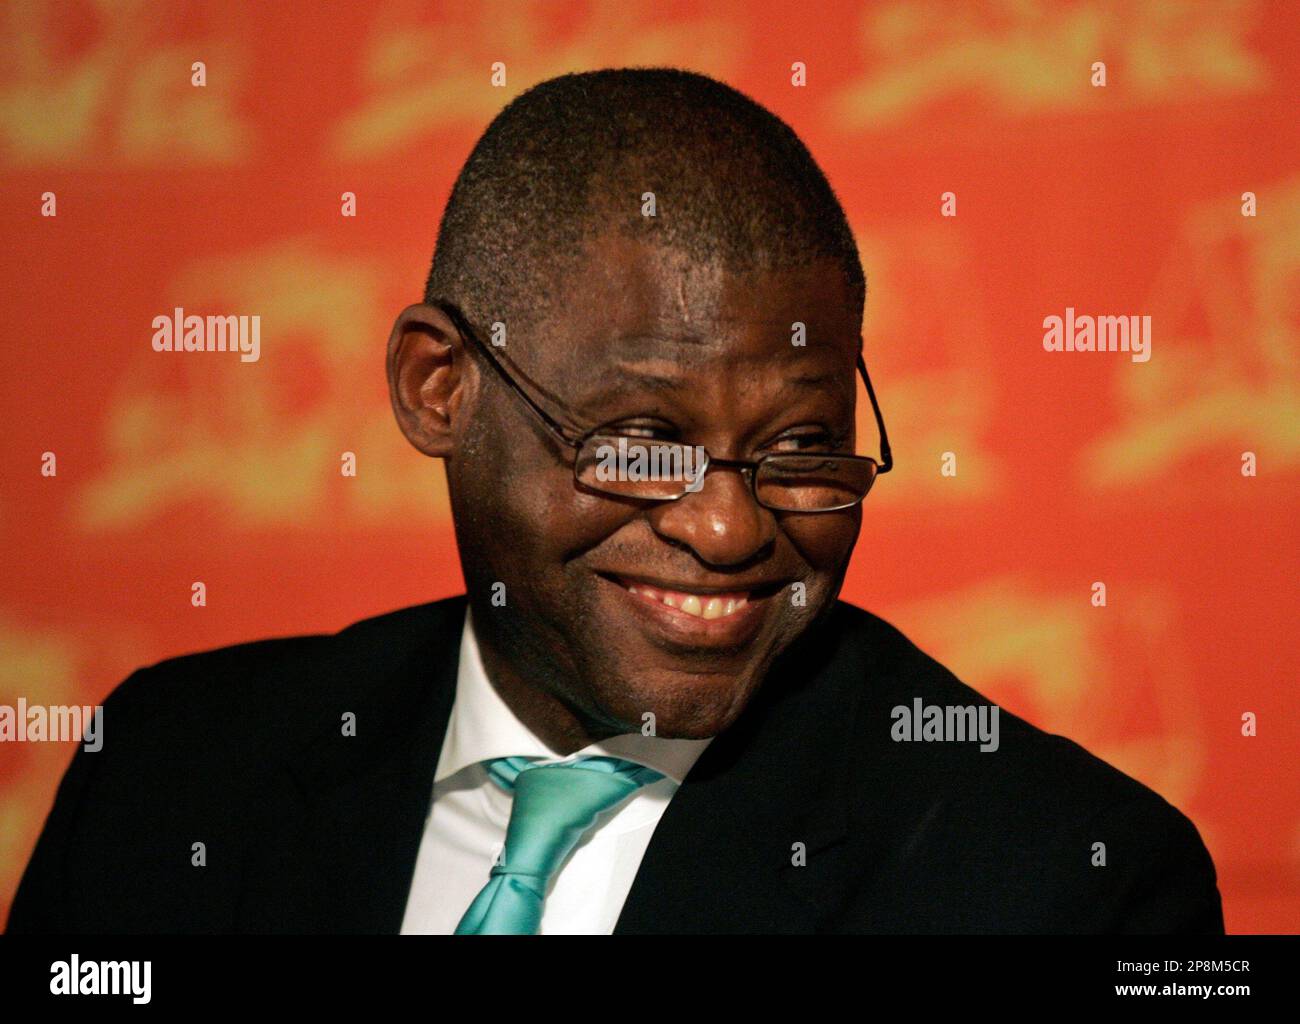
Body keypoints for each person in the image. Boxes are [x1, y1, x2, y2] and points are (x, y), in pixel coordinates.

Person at [7, 68, 1223, 934]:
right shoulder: (172, 776)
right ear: (440, 387)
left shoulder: (1058, 885)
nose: (729, 528)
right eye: (644, 444)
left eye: (801, 447)